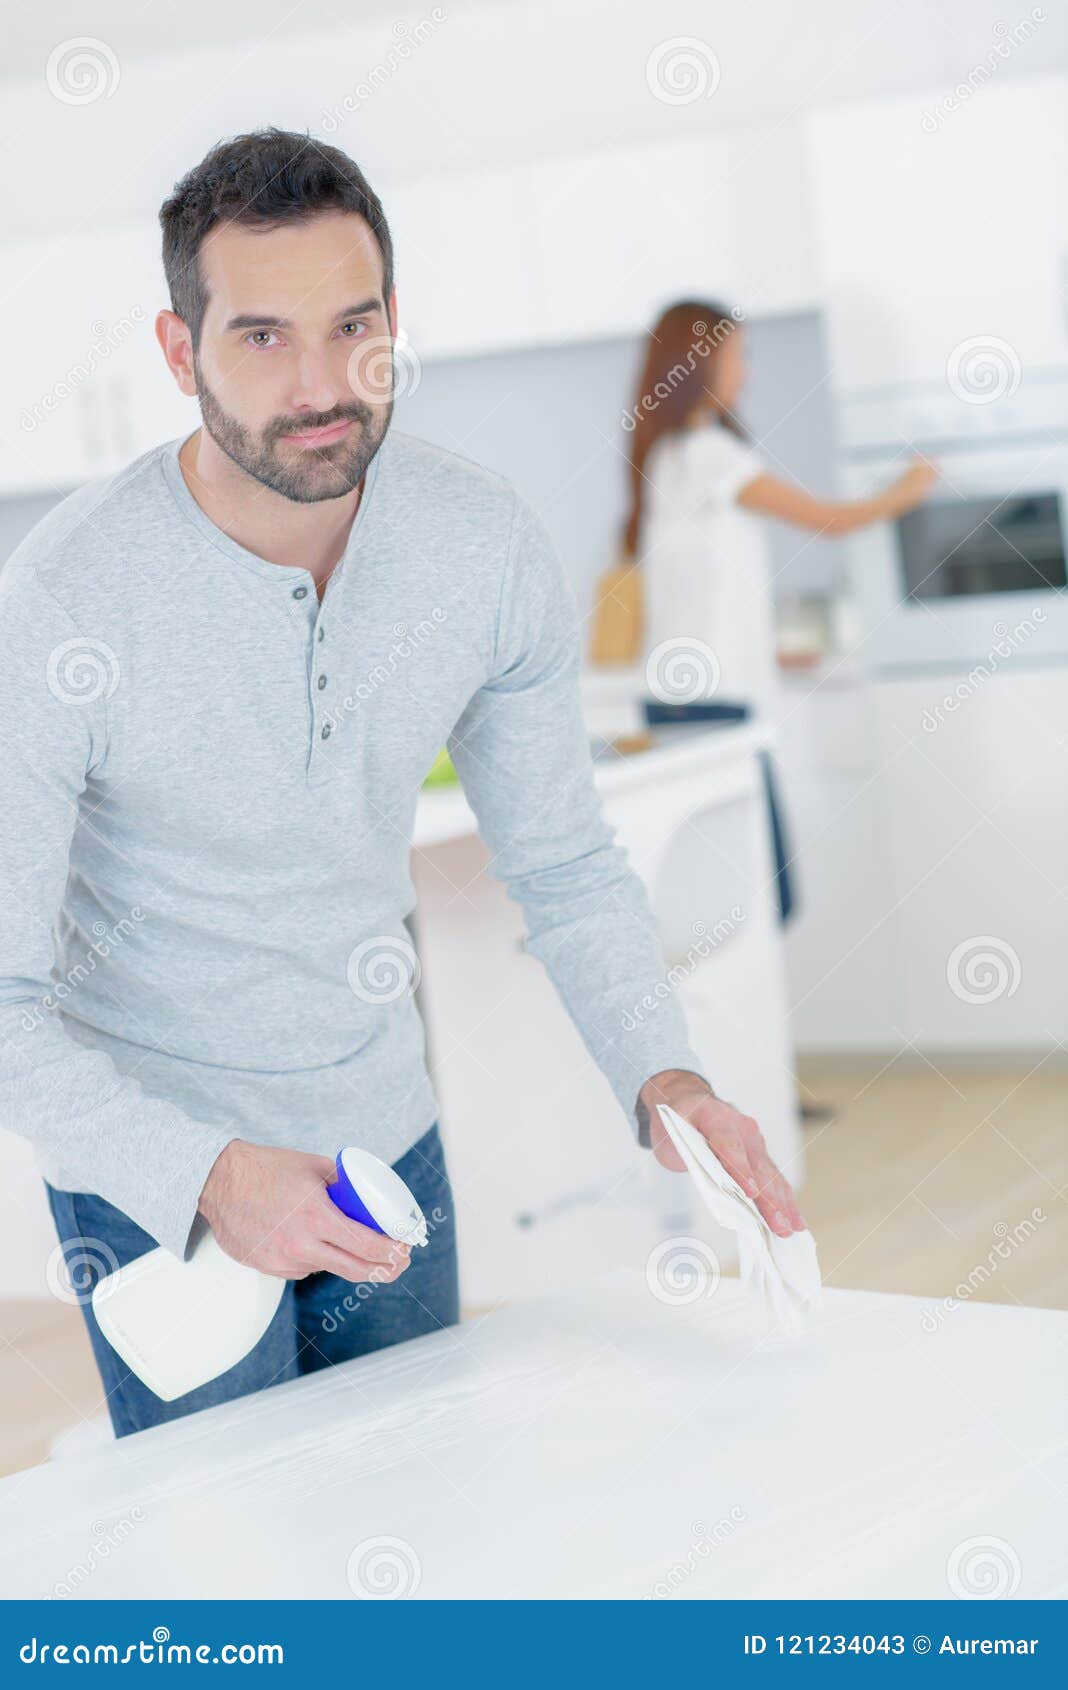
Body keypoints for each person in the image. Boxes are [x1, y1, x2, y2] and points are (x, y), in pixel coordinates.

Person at [0, 137, 804, 1440]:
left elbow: (564, 863)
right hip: (157, 1186)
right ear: (178, 350)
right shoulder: (62, 601)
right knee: (233, 1542)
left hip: (385, 1143)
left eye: (353, 325)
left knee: (417, 1510)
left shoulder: (481, 547)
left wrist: (667, 1078)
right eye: (262, 336)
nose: (322, 384)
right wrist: (208, 1173)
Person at [624, 300, 938, 920]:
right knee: (762, 897)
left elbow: (701, 592)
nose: (745, 371)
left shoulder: (666, 456)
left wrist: (765, 648)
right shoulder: (712, 454)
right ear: (698, 362)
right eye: (737, 356)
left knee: (724, 897)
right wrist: (912, 487)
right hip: (719, 705)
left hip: (681, 700)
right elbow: (830, 521)